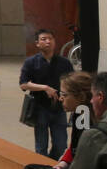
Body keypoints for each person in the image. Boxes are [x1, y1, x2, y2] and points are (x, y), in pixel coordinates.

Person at [22, 71, 93, 169]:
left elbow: (84, 155)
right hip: (72, 167)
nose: (60, 98)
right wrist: (63, 163)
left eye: (64, 95)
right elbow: (75, 146)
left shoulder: (84, 114)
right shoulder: (81, 113)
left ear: (80, 97)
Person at [19, 28, 73, 159]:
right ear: (37, 43)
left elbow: (72, 82)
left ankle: (53, 166)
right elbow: (23, 84)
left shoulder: (64, 63)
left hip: (59, 108)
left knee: (61, 145)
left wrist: (66, 96)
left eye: (50, 39)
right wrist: (44, 87)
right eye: (44, 39)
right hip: (40, 108)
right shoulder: (31, 62)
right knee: (41, 146)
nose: (48, 41)